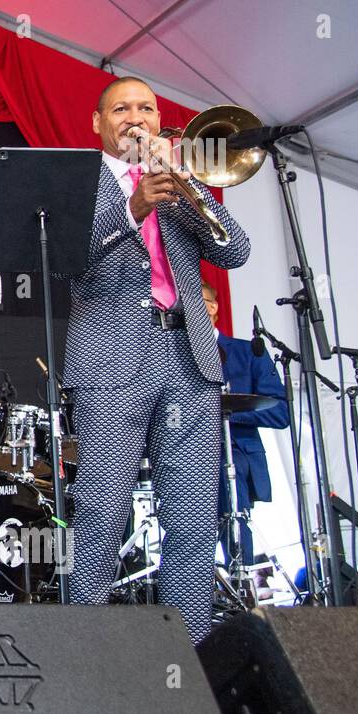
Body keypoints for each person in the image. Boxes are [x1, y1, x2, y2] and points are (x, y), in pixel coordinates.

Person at [62, 76, 251, 644]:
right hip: (111, 359)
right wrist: (132, 205)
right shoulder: (81, 182)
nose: (136, 117)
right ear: (98, 123)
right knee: (100, 518)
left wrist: (189, 183)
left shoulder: (180, 180)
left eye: (147, 107)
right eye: (122, 108)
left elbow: (235, 251)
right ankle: (85, 661)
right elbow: (66, 256)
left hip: (188, 355)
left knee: (193, 522)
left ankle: (188, 664)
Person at [200, 281, 288, 570]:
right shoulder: (168, 359)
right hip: (186, 454)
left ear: (212, 307)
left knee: (228, 481)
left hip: (235, 454)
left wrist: (227, 411)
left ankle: (242, 576)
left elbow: (280, 411)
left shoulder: (247, 353)